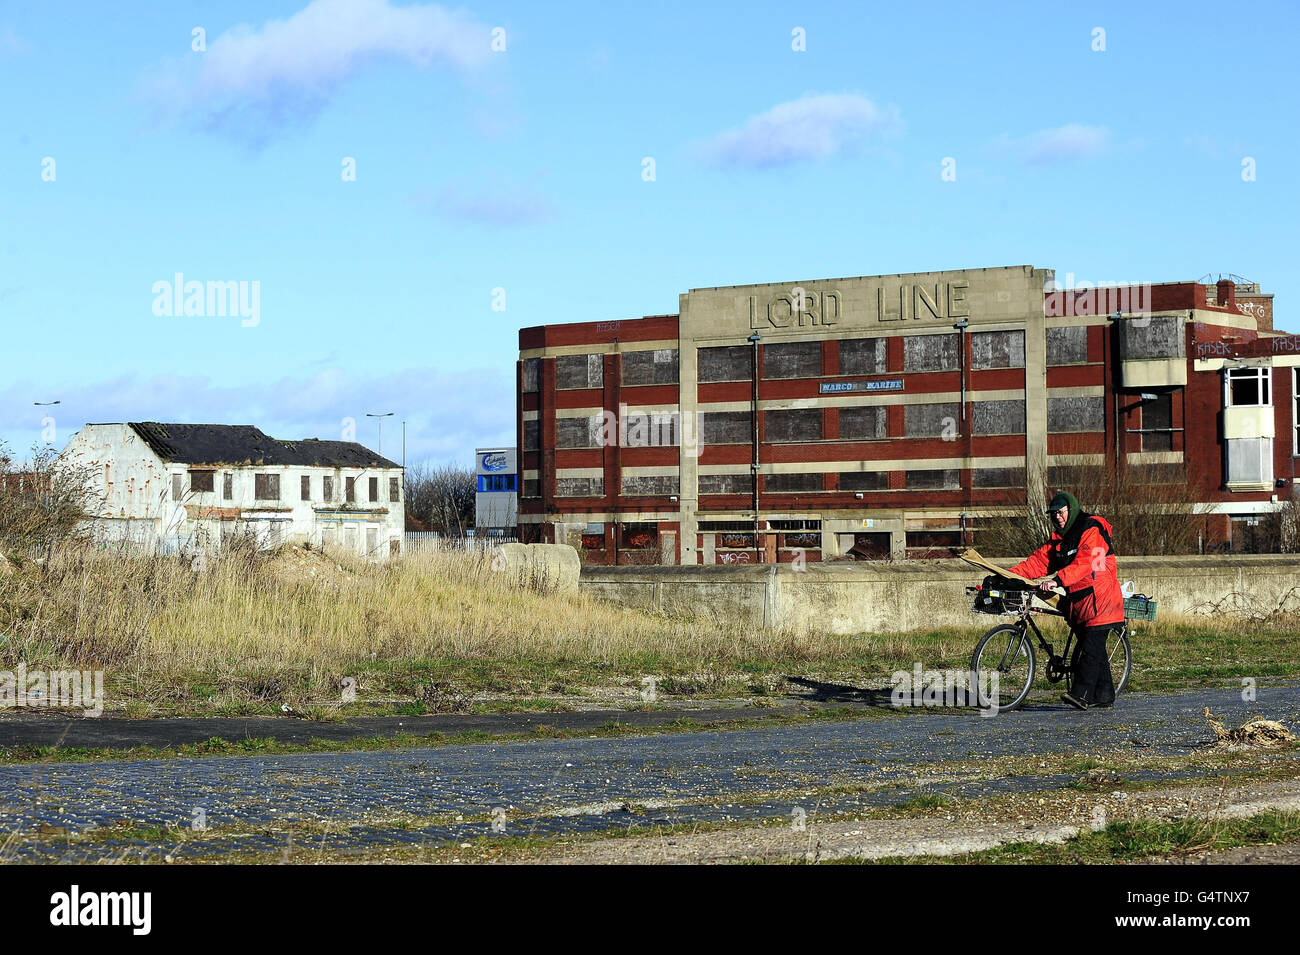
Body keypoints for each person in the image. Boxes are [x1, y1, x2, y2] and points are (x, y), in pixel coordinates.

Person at [1007, 490, 1125, 710]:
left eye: (1060, 512)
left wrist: (1057, 580)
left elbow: (1085, 563)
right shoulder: (1060, 541)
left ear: (1071, 510)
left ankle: (1080, 694)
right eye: (1053, 515)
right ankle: (1105, 694)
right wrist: (1007, 576)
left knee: (1090, 649)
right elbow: (1036, 563)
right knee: (1094, 649)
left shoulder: (1091, 529)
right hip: (1081, 601)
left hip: (1102, 600)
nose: (1057, 518)